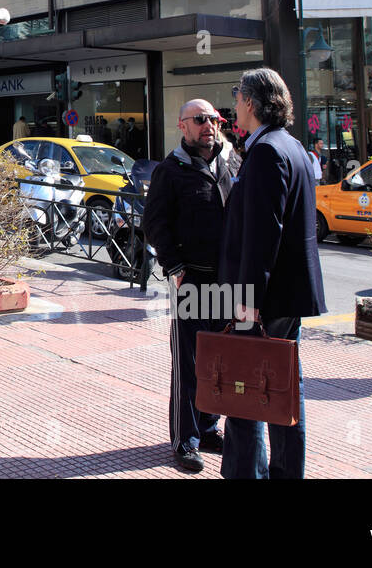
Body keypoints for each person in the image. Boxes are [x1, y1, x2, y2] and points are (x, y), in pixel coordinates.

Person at [218, 68, 326, 479]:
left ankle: (250, 473)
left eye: (236, 95)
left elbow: (263, 235)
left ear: (251, 102)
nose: (234, 105)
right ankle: (284, 471)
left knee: (247, 393)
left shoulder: (266, 151)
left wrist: (248, 302)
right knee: (283, 389)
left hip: (265, 298)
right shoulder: (291, 146)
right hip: (286, 295)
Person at [144, 99, 240, 474]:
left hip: (232, 280)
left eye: (213, 119)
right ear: (182, 126)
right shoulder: (171, 170)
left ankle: (209, 427)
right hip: (192, 279)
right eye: (200, 120)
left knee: (223, 358)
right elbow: (155, 224)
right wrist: (175, 265)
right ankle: (185, 440)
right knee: (189, 362)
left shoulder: (233, 162)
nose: (209, 126)